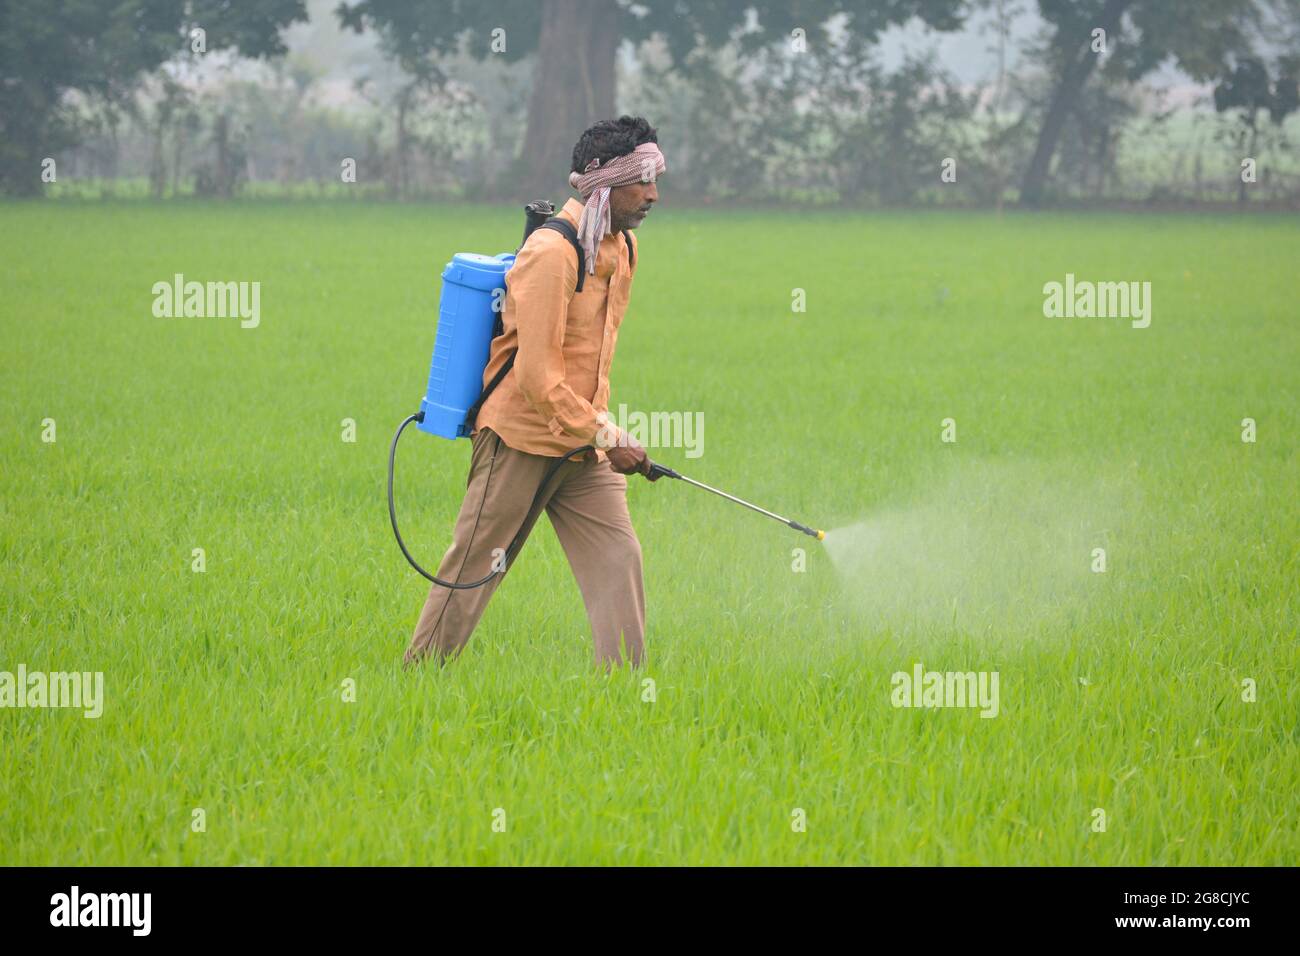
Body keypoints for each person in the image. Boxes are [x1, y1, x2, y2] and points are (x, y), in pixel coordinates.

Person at [404, 115, 666, 669]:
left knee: (619, 559)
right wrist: (607, 433)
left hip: (581, 443)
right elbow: (538, 377)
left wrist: (597, 432)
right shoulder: (553, 254)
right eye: (642, 179)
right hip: (521, 439)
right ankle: (418, 677)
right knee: (477, 567)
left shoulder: (623, 249)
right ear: (603, 181)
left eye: (655, 177)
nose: (653, 193)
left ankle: (626, 689)